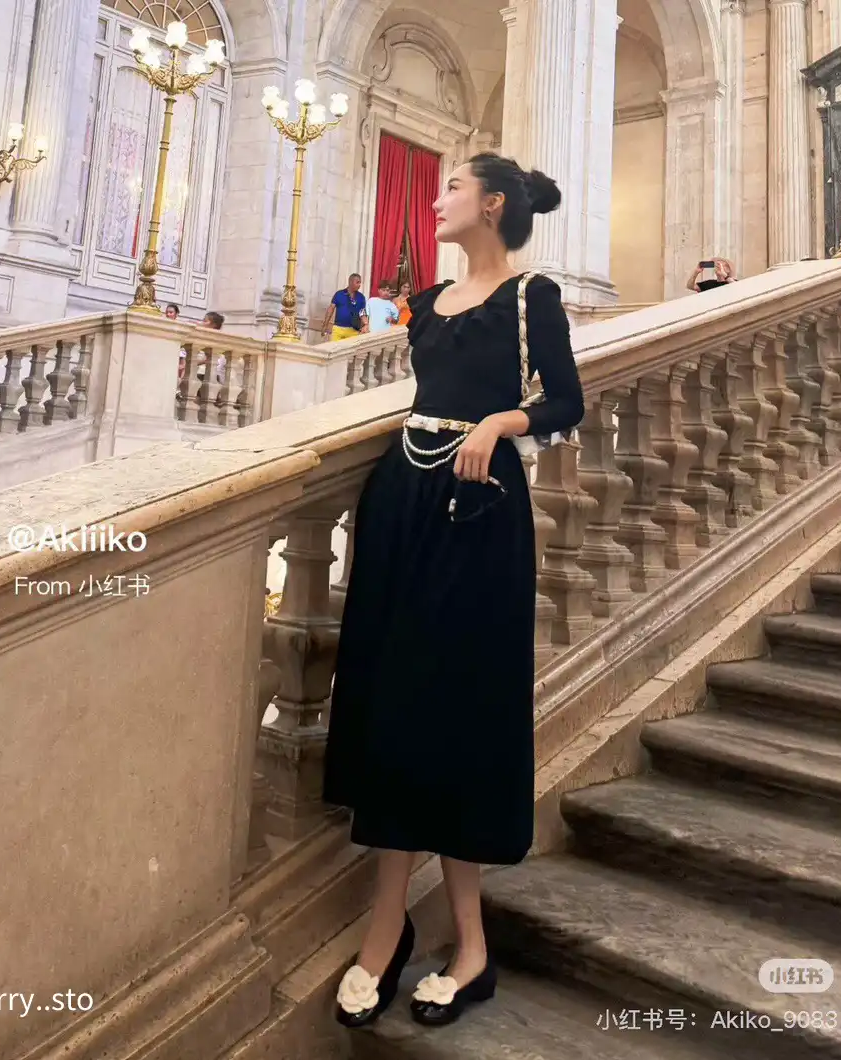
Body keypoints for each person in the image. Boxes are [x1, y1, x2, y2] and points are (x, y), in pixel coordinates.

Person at [324, 152, 584, 1030]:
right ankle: (387, 926)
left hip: (480, 513)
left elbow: (567, 402)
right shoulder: (428, 304)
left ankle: (470, 949)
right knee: (391, 703)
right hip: (404, 499)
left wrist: (505, 420)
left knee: (457, 709)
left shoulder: (530, 297)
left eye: (452, 189)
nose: (436, 201)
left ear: (493, 203)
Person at [321, 274, 367, 341]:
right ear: (350, 282)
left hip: (353, 331)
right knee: (334, 350)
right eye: (357, 282)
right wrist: (325, 325)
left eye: (360, 282)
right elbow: (331, 309)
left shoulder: (361, 297)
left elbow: (362, 313)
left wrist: (365, 325)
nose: (359, 285)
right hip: (338, 329)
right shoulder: (339, 294)